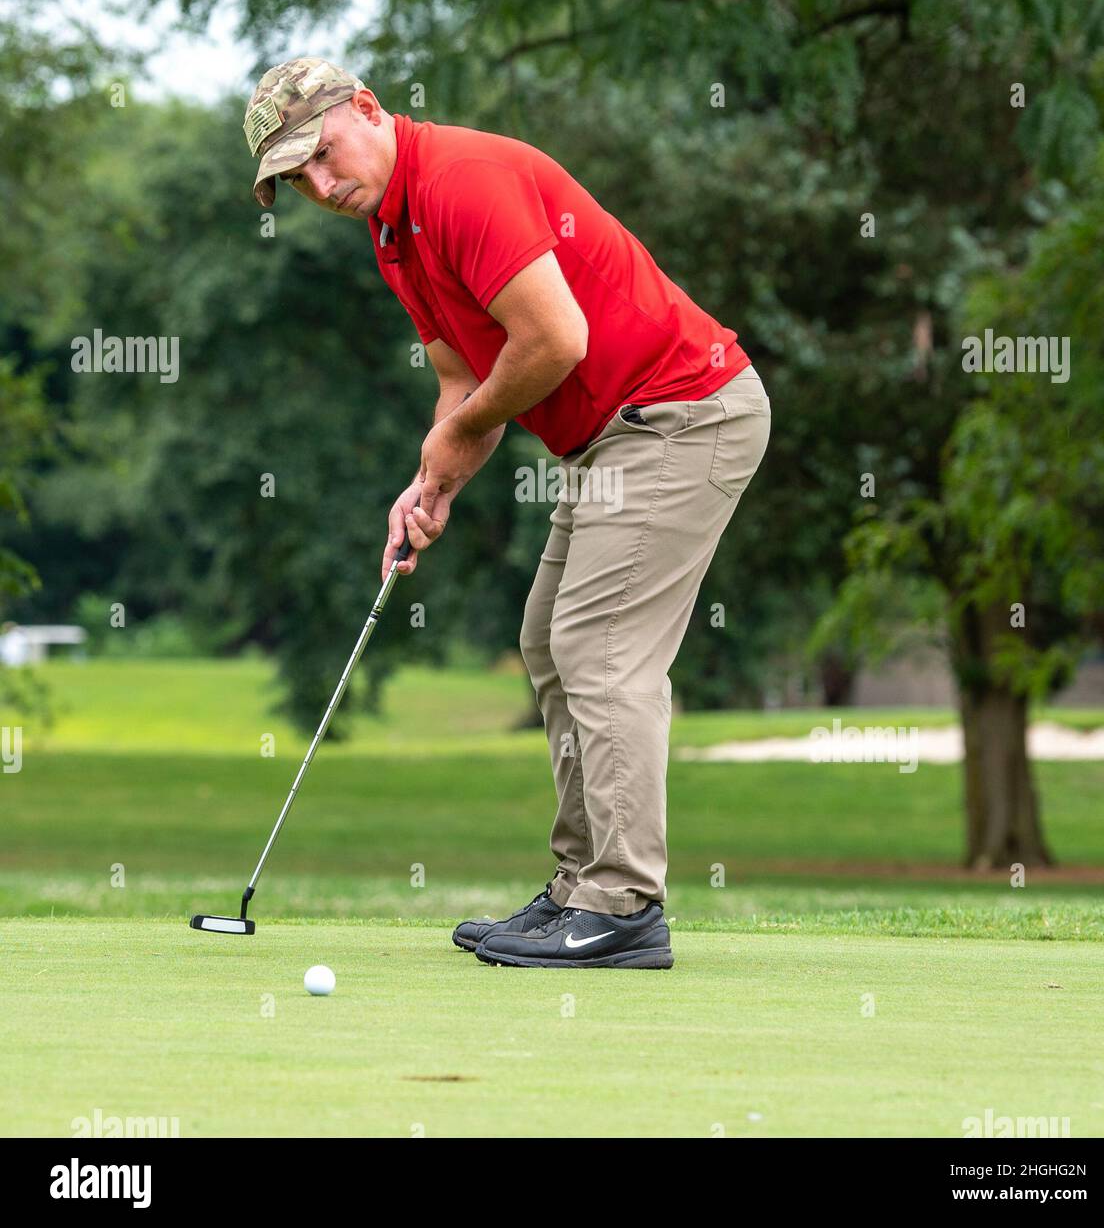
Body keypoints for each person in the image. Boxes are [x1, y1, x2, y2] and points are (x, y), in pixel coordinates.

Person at [243, 57, 771, 968]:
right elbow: (462, 381)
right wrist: (434, 481)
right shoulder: (394, 233)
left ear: (368, 108)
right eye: (299, 179)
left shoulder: (460, 182)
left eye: (324, 155)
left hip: (682, 415)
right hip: (613, 437)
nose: (322, 186)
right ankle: (579, 889)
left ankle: (623, 905)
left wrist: (458, 437)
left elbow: (555, 342)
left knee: (600, 650)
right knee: (550, 644)